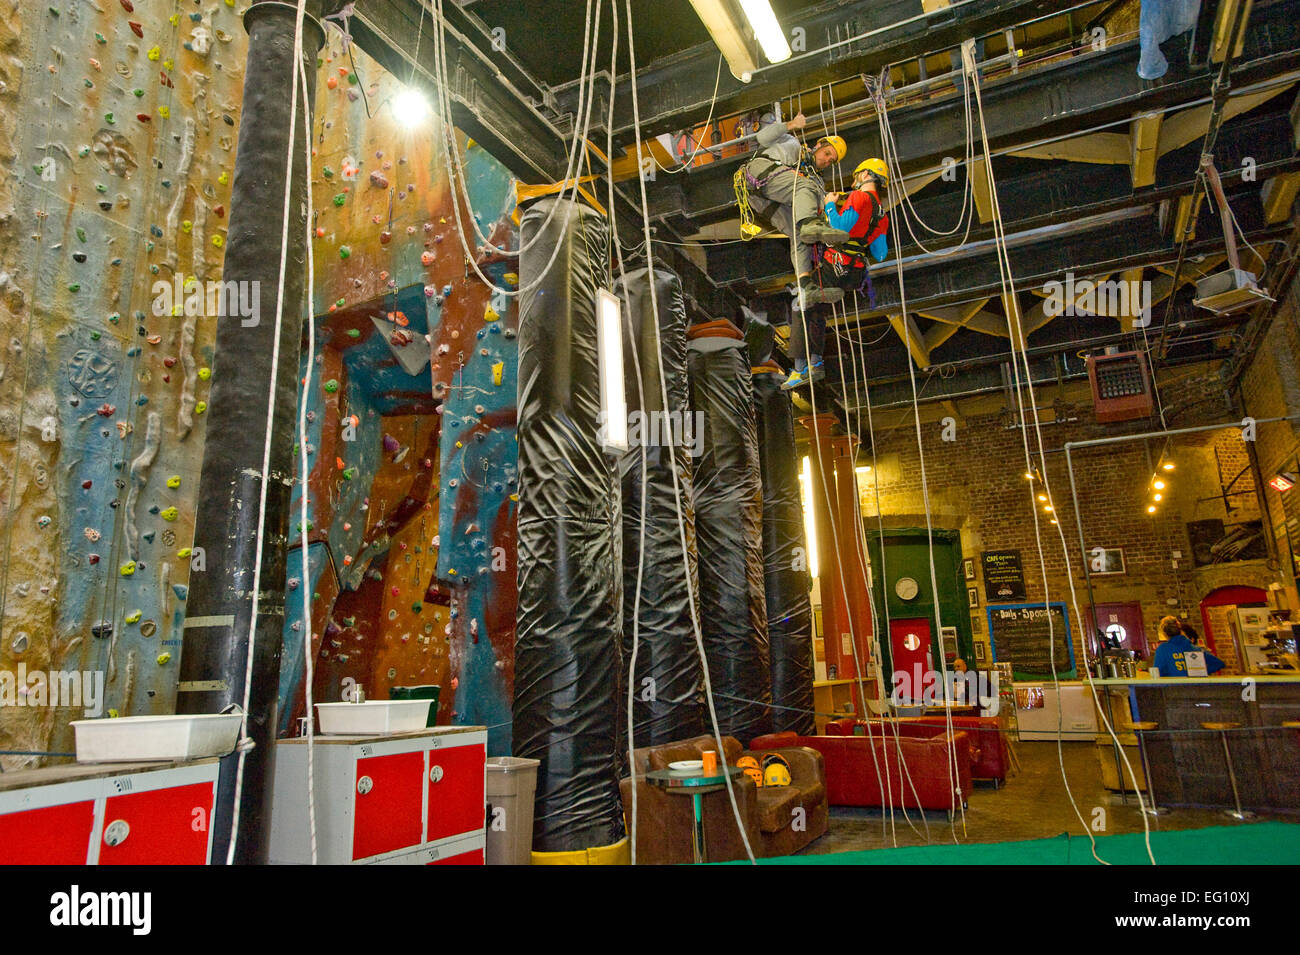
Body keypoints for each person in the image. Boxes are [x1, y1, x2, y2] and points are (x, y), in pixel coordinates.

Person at [782, 159, 891, 391]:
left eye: (857, 174)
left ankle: (801, 369)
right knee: (816, 311)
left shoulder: (859, 197)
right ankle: (816, 364)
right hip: (854, 273)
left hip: (835, 265)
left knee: (799, 303)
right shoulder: (882, 214)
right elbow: (880, 253)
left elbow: (840, 228)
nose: (854, 179)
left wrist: (830, 205)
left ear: (866, 175)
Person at [741, 111, 849, 303]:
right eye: (826, 153)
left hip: (764, 200)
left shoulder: (816, 181)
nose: (826, 160)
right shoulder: (793, 144)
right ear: (818, 145)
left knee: (799, 234)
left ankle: (805, 285)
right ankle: (809, 224)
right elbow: (762, 137)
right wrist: (791, 124)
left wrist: (828, 204)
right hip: (760, 173)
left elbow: (813, 203)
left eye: (830, 161)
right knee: (804, 187)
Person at [1152, 614, 1225, 677]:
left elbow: (1157, 673)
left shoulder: (1163, 649)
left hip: (1174, 689)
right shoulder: (1195, 649)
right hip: (1196, 688)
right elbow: (1219, 663)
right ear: (1180, 630)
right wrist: (1202, 671)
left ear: (1164, 634)